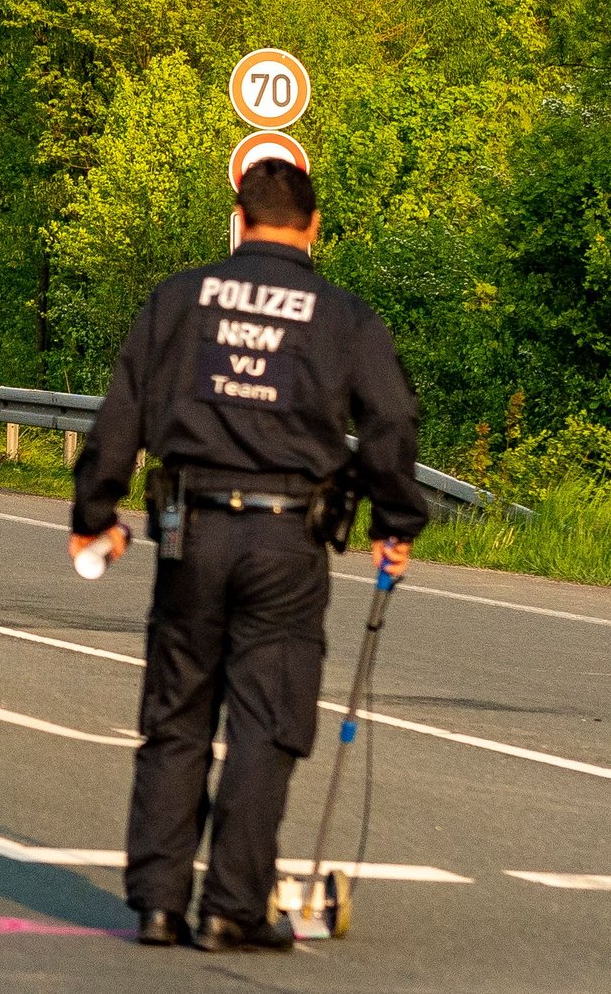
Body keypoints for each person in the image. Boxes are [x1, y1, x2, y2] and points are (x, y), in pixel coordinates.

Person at [68, 159, 426, 954]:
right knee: (267, 720)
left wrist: (93, 511)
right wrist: (394, 520)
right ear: (314, 226)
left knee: (178, 714)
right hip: (287, 540)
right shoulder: (341, 316)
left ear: (239, 217)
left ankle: (159, 904)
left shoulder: (180, 298)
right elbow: (393, 422)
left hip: (189, 533)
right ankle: (231, 906)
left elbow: (123, 406)